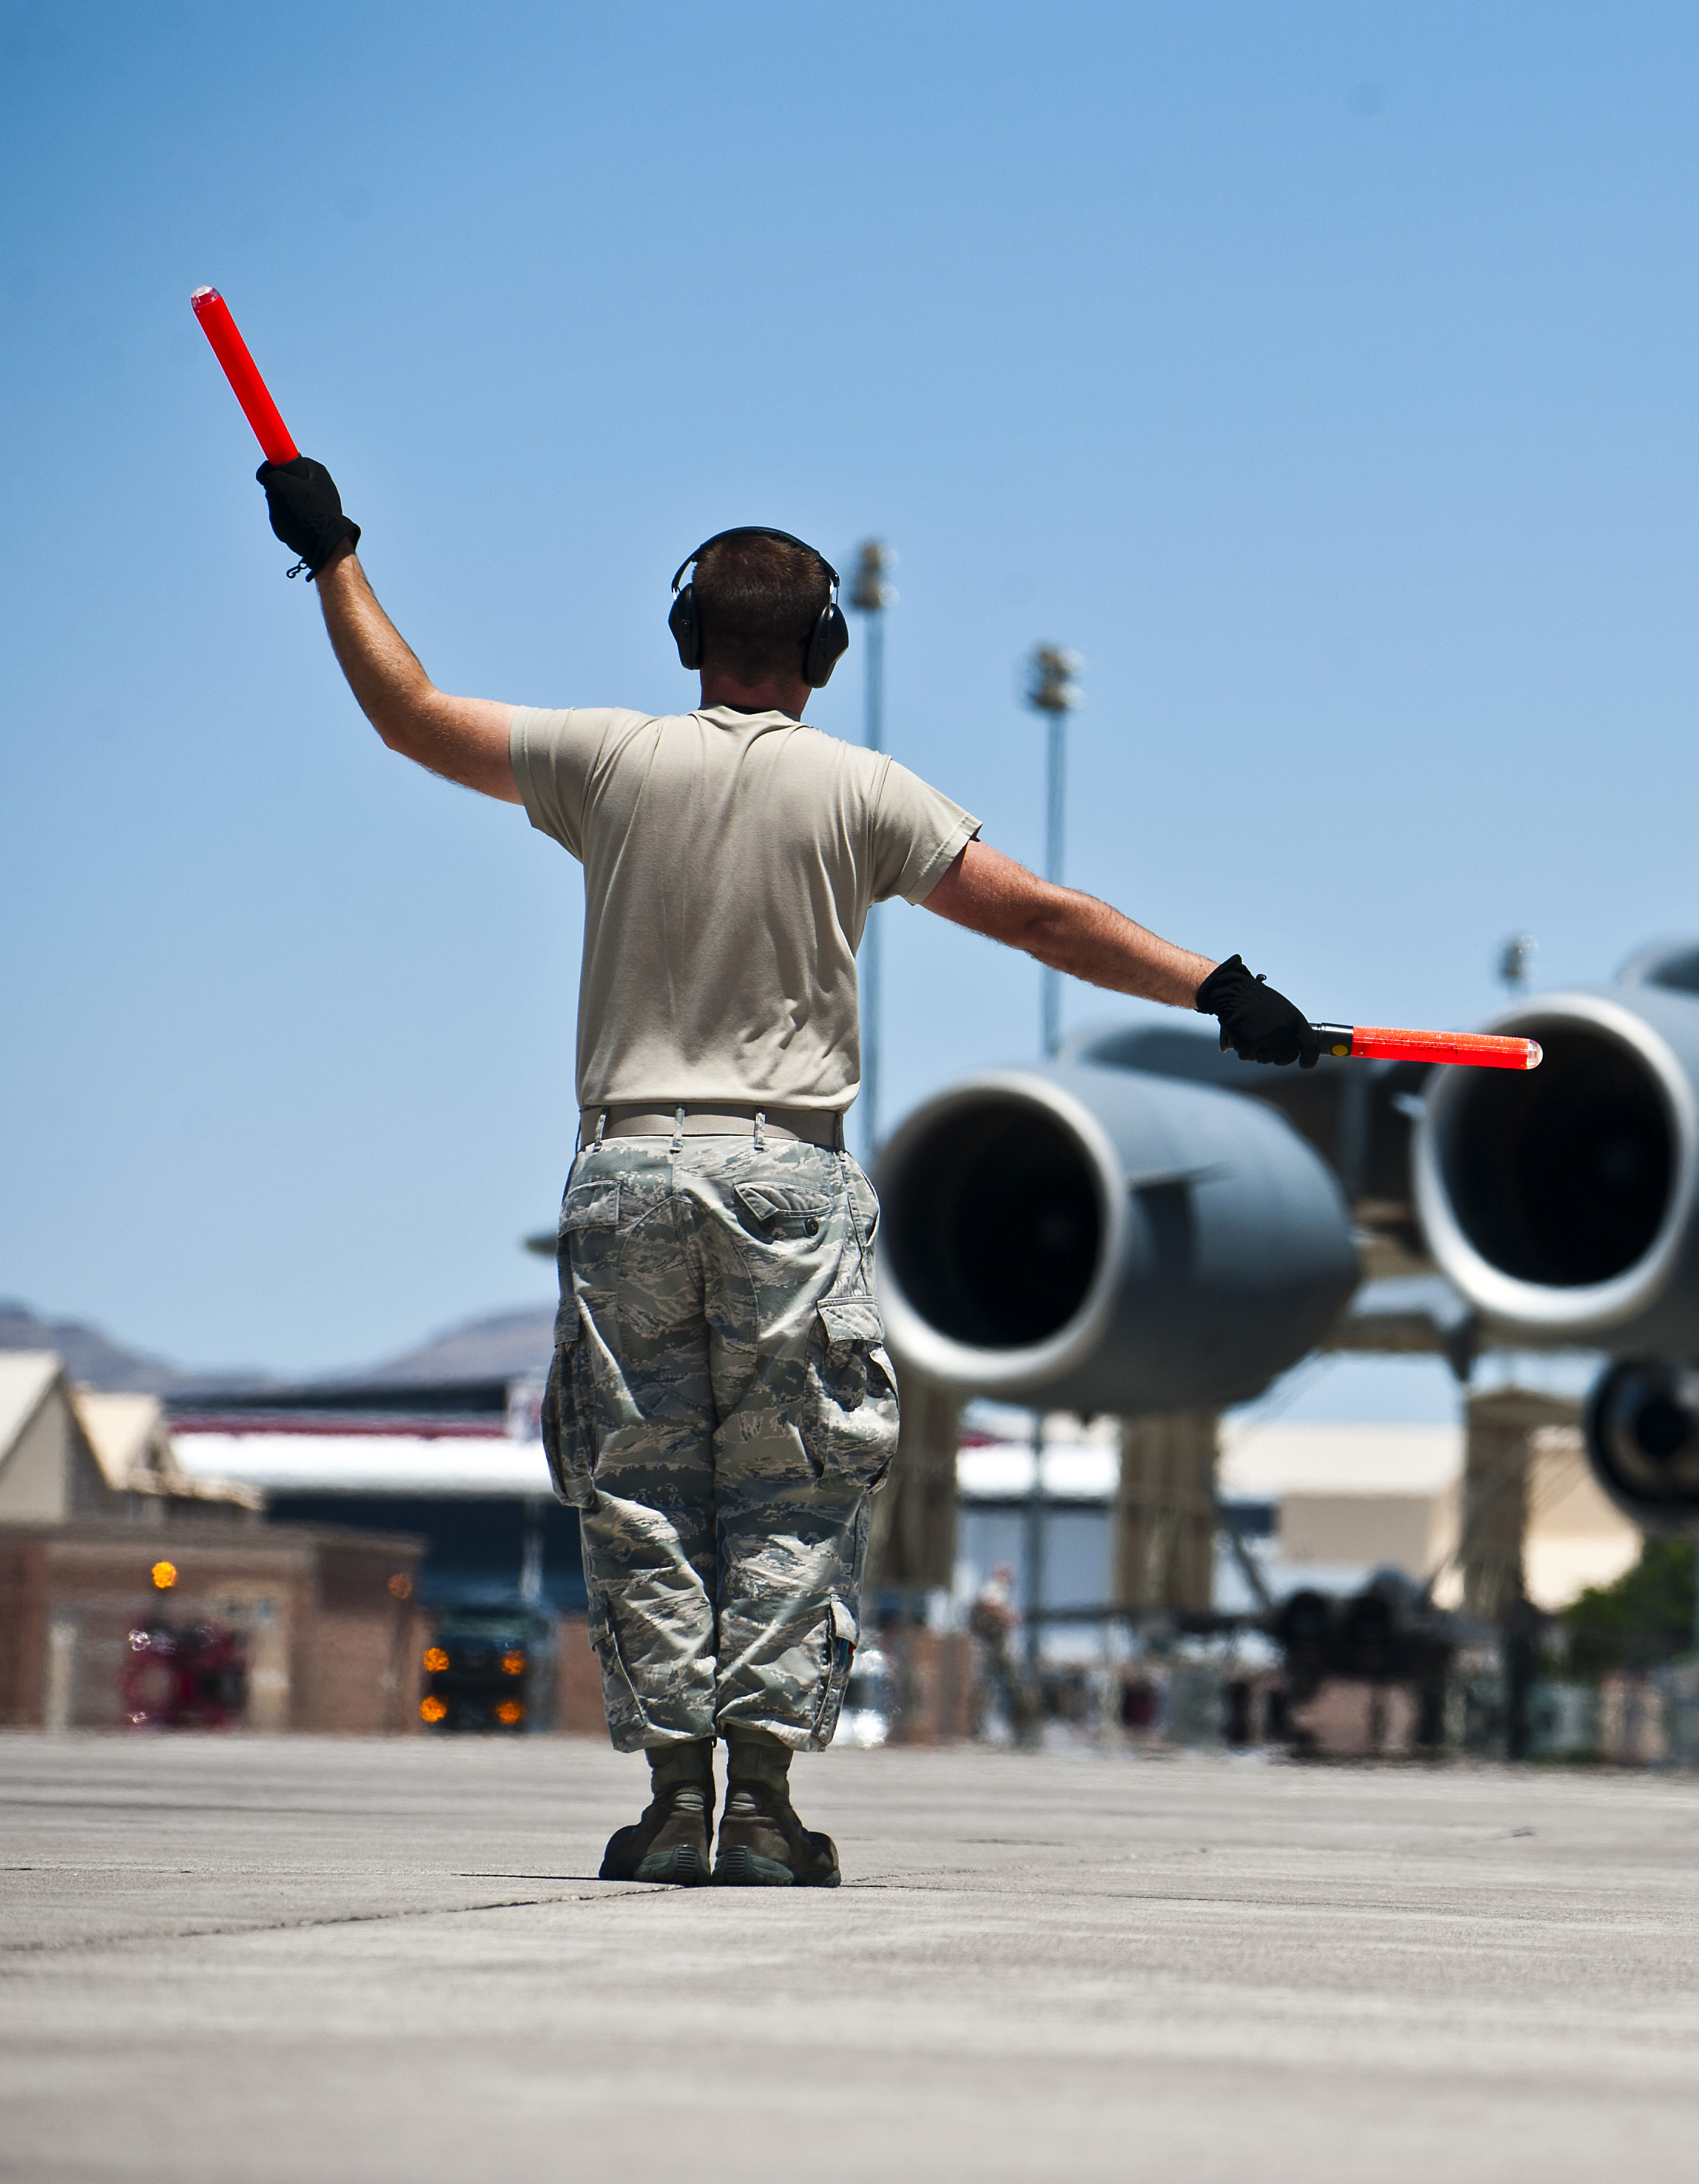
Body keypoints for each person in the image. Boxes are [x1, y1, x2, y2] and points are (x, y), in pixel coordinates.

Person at [255, 458, 1319, 1886]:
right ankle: (761, 1808)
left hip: (628, 1170)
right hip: (785, 1185)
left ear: (691, 641)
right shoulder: (865, 791)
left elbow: (410, 717)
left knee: (638, 1490)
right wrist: (1221, 988)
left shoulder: (610, 763)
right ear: (824, 654)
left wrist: (332, 556)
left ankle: (670, 1802)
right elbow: (1049, 923)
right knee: (787, 1489)